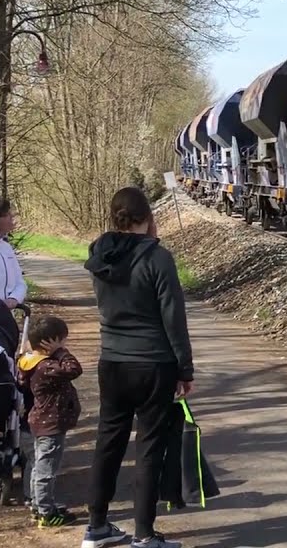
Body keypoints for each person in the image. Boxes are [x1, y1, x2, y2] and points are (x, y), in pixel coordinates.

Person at [81, 186, 194, 548]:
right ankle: (144, 535)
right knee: (149, 447)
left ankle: (96, 526)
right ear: (148, 216)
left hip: (112, 362)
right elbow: (173, 318)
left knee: (107, 443)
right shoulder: (158, 258)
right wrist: (185, 369)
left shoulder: (99, 255)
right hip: (152, 364)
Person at [17, 315, 82, 527]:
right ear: (49, 343)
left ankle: (39, 505)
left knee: (39, 466)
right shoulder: (45, 366)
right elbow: (74, 369)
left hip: (41, 421)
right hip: (50, 425)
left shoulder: (30, 361)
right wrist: (60, 352)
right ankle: (46, 512)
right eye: (61, 341)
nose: (64, 345)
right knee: (46, 470)